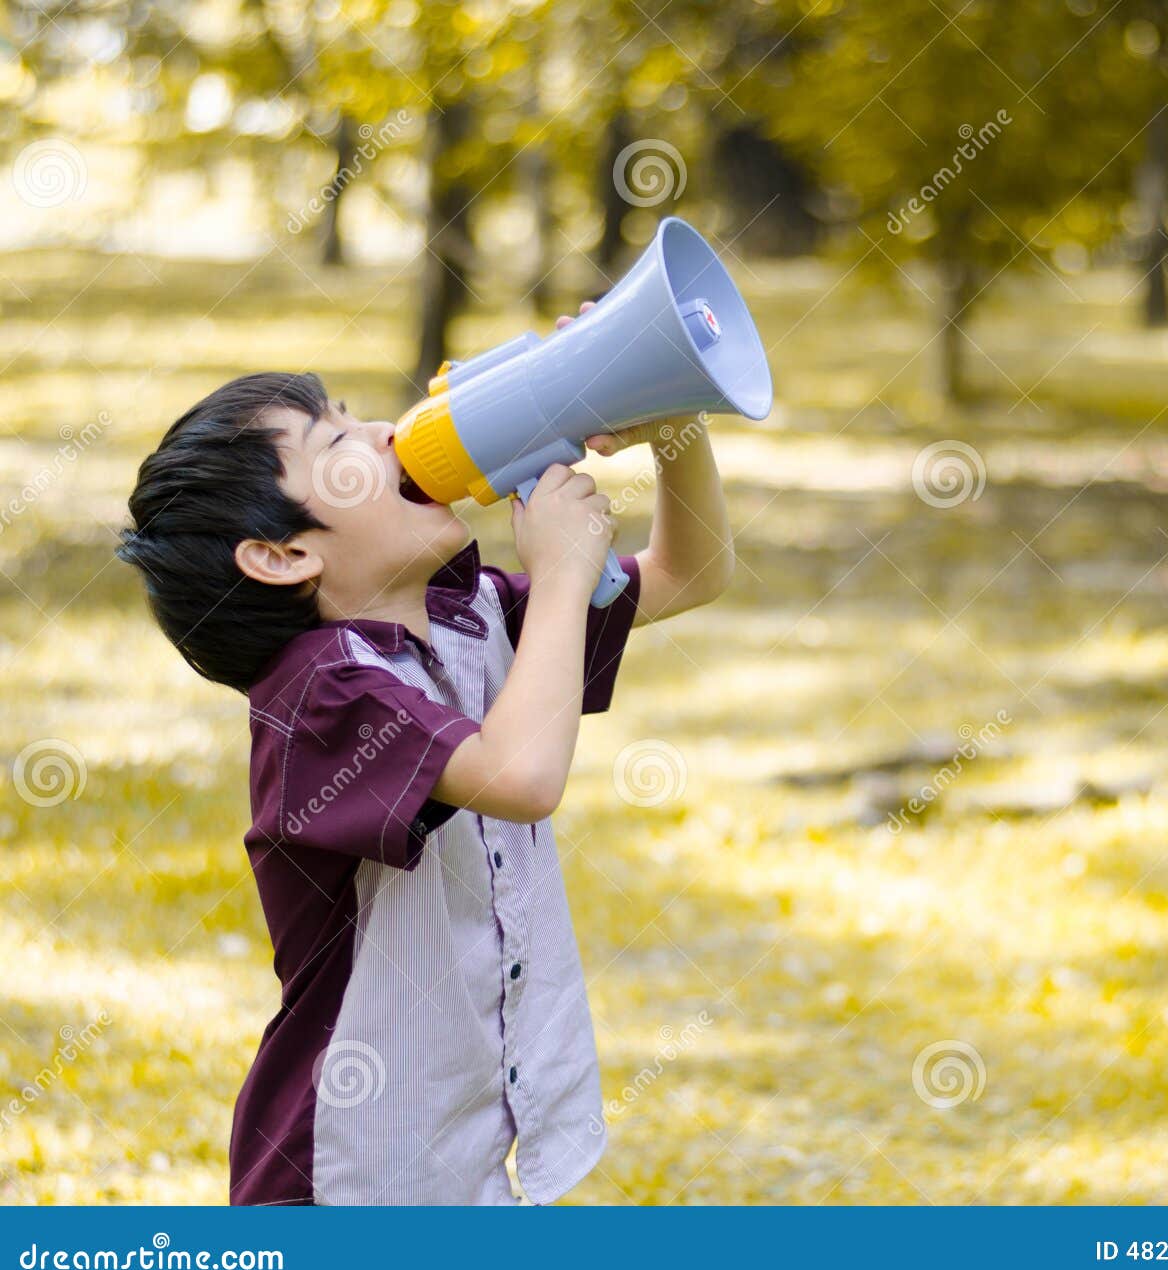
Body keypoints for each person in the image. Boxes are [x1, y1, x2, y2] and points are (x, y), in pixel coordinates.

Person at [115, 306, 734, 1204]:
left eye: (356, 413)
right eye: (338, 448)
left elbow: (693, 570)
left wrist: (673, 413)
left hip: (465, 1152)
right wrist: (562, 577)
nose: (385, 432)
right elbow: (520, 778)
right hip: (345, 1173)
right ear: (283, 555)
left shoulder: (468, 609)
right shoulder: (319, 695)